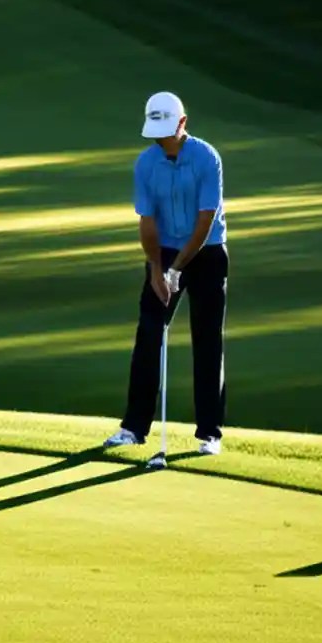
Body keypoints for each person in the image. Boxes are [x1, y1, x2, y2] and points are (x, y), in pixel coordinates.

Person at [104, 91, 228, 455]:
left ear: (182, 124)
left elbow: (206, 220)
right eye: (156, 134)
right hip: (165, 250)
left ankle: (209, 434)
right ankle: (133, 428)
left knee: (207, 340)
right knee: (148, 335)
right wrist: (157, 268)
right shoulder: (146, 163)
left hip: (206, 252)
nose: (161, 141)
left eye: (166, 133)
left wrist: (178, 268)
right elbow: (147, 220)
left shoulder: (207, 158)